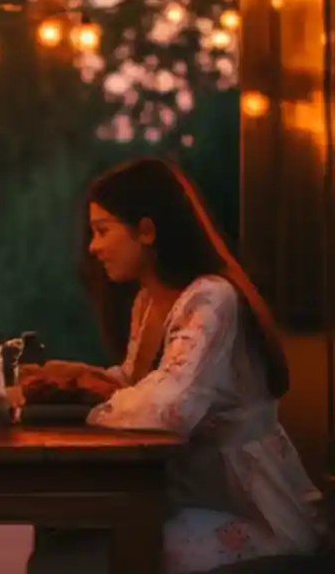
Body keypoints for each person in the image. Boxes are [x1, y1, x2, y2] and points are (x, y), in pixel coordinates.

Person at [30, 157, 325, 573]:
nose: (93, 247)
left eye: (102, 230)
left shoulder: (210, 299)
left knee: (83, 558)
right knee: (62, 545)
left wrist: (97, 396)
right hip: (188, 500)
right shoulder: (148, 303)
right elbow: (141, 382)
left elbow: (169, 408)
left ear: (147, 231)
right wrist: (79, 376)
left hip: (252, 513)